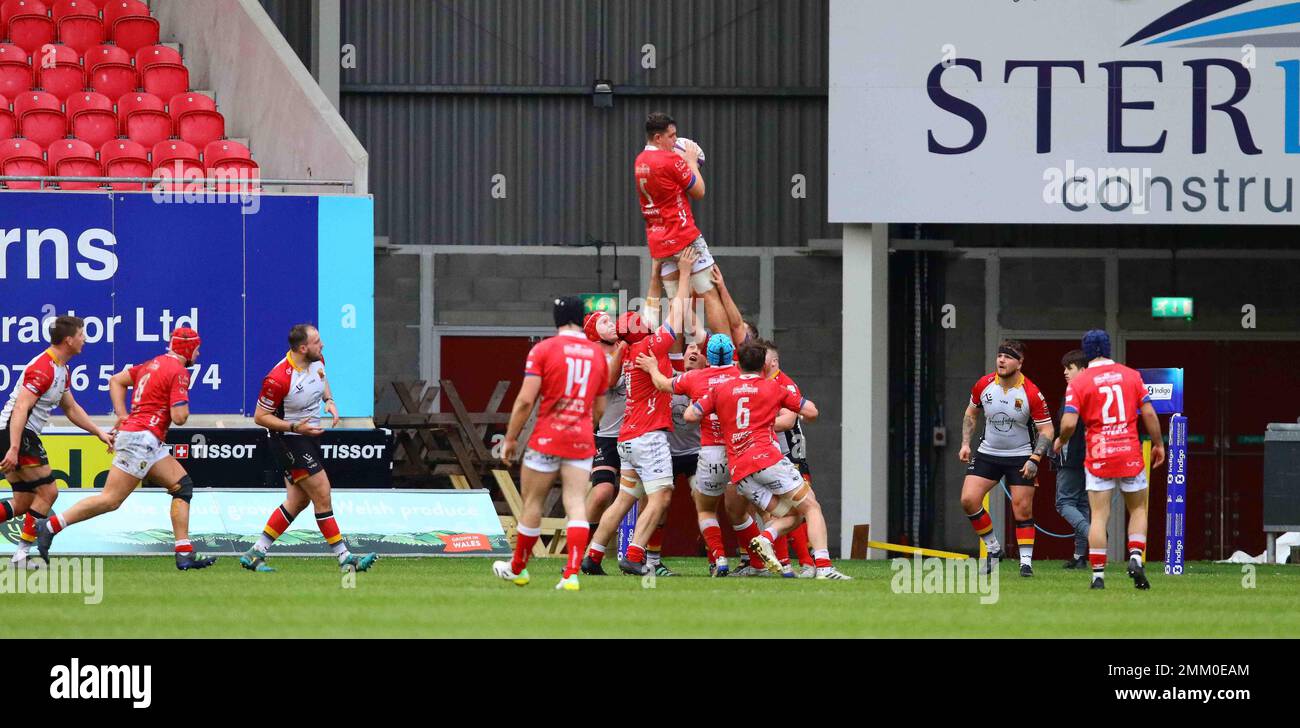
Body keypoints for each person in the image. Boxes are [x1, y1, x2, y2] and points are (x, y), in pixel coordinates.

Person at [35, 328, 217, 570]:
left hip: (143, 437)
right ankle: (49, 526)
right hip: (143, 438)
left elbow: (116, 380)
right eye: (197, 349)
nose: (199, 353)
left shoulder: (151, 364)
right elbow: (180, 417)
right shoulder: (179, 371)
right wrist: (179, 407)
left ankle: (184, 553)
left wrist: (122, 415)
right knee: (110, 500)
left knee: (182, 486)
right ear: (188, 348)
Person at [687, 342, 851, 580]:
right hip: (767, 461)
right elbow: (812, 412)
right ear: (764, 366)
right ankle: (824, 568)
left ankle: (765, 538)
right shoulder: (773, 387)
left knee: (792, 515)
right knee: (811, 507)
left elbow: (691, 415)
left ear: (738, 365)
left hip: (740, 471)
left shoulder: (721, 389)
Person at [494, 296, 609, 591]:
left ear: (556, 319)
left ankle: (518, 568)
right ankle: (570, 574)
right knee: (576, 503)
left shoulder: (543, 349)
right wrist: (584, 426)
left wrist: (510, 438)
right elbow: (599, 407)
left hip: (547, 437)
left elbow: (525, 401)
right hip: (580, 438)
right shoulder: (597, 355)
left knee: (533, 503)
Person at [241, 324, 377, 573]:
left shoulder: (317, 360)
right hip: (288, 440)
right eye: (316, 342)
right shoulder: (278, 379)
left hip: (308, 437)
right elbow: (260, 417)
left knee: (297, 501)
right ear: (303, 348)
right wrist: (294, 427)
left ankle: (255, 552)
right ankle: (345, 558)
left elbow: (322, 379)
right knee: (322, 494)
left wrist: (329, 401)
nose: (322, 345)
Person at [1055, 329, 1165, 590]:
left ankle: (1098, 576)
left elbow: (1068, 423)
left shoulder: (1079, 382)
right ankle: (1135, 557)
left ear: (1086, 352)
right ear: (1108, 349)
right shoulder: (1131, 375)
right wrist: (1159, 443)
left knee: (1098, 516)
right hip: (1129, 450)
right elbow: (1149, 413)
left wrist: (1061, 439)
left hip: (1099, 453)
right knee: (1138, 509)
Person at [0, 316, 114, 567]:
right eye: (81, 334)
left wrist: (99, 432)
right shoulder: (43, 368)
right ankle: (21, 555)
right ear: (68, 340)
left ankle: (20, 556)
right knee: (49, 491)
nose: (85, 339)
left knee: (23, 502)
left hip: (17, 434)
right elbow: (20, 408)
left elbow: (71, 408)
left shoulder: (62, 369)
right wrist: (14, 447)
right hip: (17, 433)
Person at [636, 332, 740, 576]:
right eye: (688, 350)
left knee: (702, 499)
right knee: (656, 503)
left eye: (698, 351)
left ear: (707, 361)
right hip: (666, 451)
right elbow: (661, 379)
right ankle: (652, 561)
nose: (693, 352)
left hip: (696, 452)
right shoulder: (674, 377)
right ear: (680, 358)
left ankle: (716, 559)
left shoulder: (705, 379)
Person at [958, 339, 1054, 576]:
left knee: (1022, 509)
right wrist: (965, 444)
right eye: (1000, 355)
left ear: (1019, 363)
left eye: (1008, 357)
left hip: (1020, 455)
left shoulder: (1031, 392)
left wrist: (1035, 458)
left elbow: (1047, 430)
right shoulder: (984, 384)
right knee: (969, 500)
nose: (1002, 360)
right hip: (987, 453)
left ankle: (1025, 563)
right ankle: (994, 550)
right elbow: (971, 414)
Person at [634, 111, 730, 338]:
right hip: (684, 236)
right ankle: (727, 354)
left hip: (659, 242)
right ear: (658, 138)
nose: (675, 140)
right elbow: (699, 191)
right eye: (671, 136)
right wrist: (691, 162)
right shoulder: (670, 160)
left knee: (677, 305)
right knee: (710, 295)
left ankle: (677, 356)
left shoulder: (640, 161)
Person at [581, 311, 628, 546]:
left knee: (648, 494)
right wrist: (624, 347)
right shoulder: (594, 360)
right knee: (602, 493)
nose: (612, 324)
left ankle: (645, 554)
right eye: (604, 322)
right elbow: (610, 380)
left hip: (635, 434)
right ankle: (581, 547)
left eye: (612, 320)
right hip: (606, 437)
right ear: (593, 333)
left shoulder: (627, 349)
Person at [1054, 349, 1091, 569]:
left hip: (1072, 457)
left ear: (1083, 369)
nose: (1065, 372)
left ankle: (1092, 534)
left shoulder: (1074, 391)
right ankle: (1079, 557)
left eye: (1070, 368)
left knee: (1064, 503)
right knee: (1082, 504)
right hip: (1092, 457)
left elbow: (1068, 424)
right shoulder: (1096, 390)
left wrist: (1059, 440)